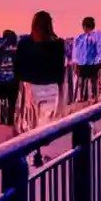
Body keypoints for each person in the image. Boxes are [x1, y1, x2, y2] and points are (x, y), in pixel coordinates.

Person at [12, 11, 65, 163]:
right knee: (45, 122)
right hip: (51, 87)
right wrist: (61, 90)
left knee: (32, 122)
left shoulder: (25, 43)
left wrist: (20, 85)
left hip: (31, 86)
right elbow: (60, 69)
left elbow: (18, 67)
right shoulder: (58, 43)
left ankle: (35, 153)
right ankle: (39, 152)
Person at [72, 16, 101, 102]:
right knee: (92, 80)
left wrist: (76, 62)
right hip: (91, 63)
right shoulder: (96, 35)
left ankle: (82, 97)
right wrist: (100, 60)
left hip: (84, 63)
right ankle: (93, 96)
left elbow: (76, 52)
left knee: (84, 80)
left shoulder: (80, 38)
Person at [0, 29, 20, 126]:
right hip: (13, 78)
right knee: (12, 100)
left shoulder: (1, 49)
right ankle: (10, 119)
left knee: (2, 99)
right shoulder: (16, 50)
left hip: (2, 78)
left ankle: (3, 118)